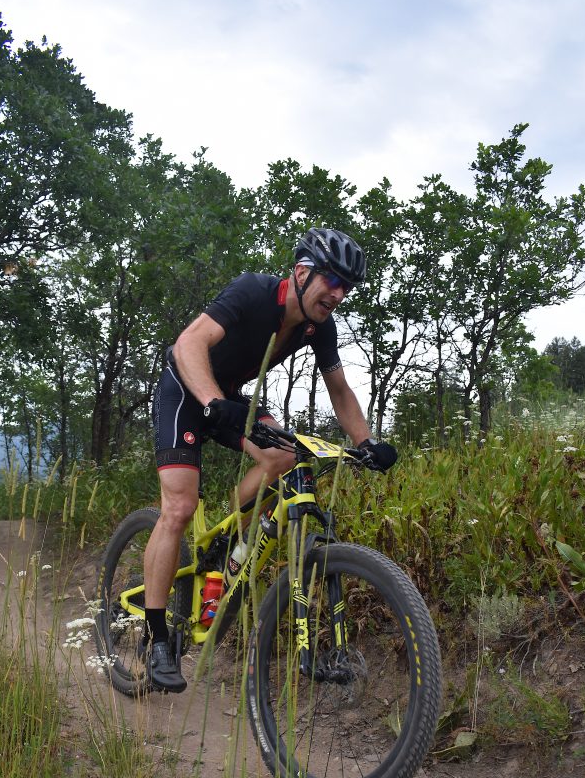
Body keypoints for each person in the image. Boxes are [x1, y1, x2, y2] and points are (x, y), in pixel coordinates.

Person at [143, 227, 397, 692]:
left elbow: (339, 389)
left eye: (347, 287)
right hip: (185, 389)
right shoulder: (253, 291)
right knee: (178, 507)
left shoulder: (319, 326)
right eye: (332, 280)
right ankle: (157, 639)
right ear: (301, 273)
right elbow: (189, 343)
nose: (339, 294)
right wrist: (211, 400)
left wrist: (366, 441)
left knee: (285, 455)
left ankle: (226, 542)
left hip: (229, 399)